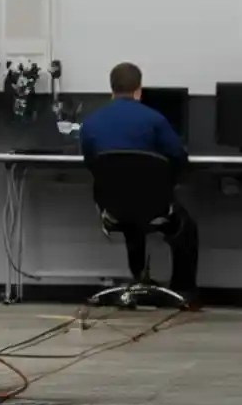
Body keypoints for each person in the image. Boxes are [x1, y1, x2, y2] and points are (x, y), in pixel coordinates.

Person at [80, 62, 200, 307]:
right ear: (139, 90)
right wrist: (168, 182)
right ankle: (184, 291)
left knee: (130, 216)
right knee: (186, 227)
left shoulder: (90, 124)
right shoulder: (155, 120)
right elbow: (180, 157)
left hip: (113, 209)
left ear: (111, 89)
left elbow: (92, 164)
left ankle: (139, 279)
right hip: (154, 207)